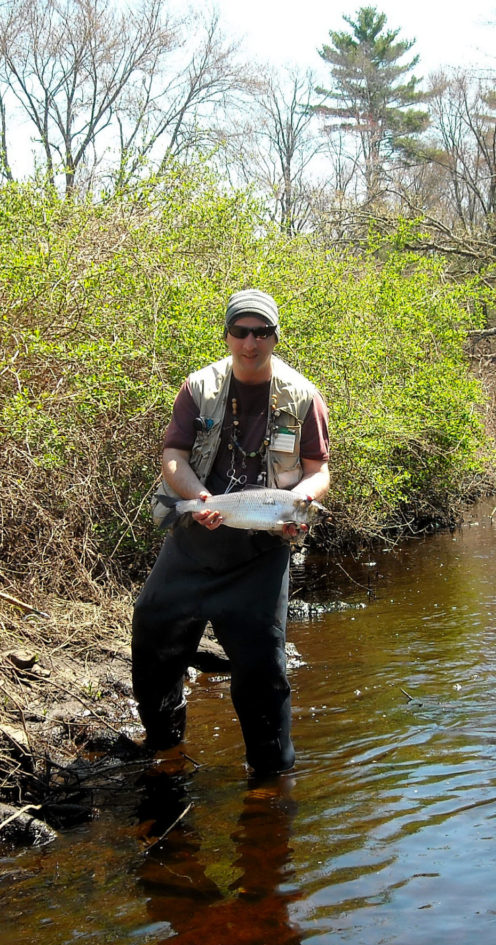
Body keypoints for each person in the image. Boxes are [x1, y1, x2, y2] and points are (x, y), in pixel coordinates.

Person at [131, 289, 330, 774]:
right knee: (152, 629)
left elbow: (318, 470)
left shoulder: (303, 397)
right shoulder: (198, 388)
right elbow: (173, 456)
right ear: (227, 335)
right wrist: (197, 497)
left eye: (261, 333)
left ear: (275, 337)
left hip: (261, 552)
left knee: (262, 669)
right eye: (241, 332)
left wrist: (303, 499)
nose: (250, 343)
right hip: (194, 541)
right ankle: (165, 747)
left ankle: (270, 778)